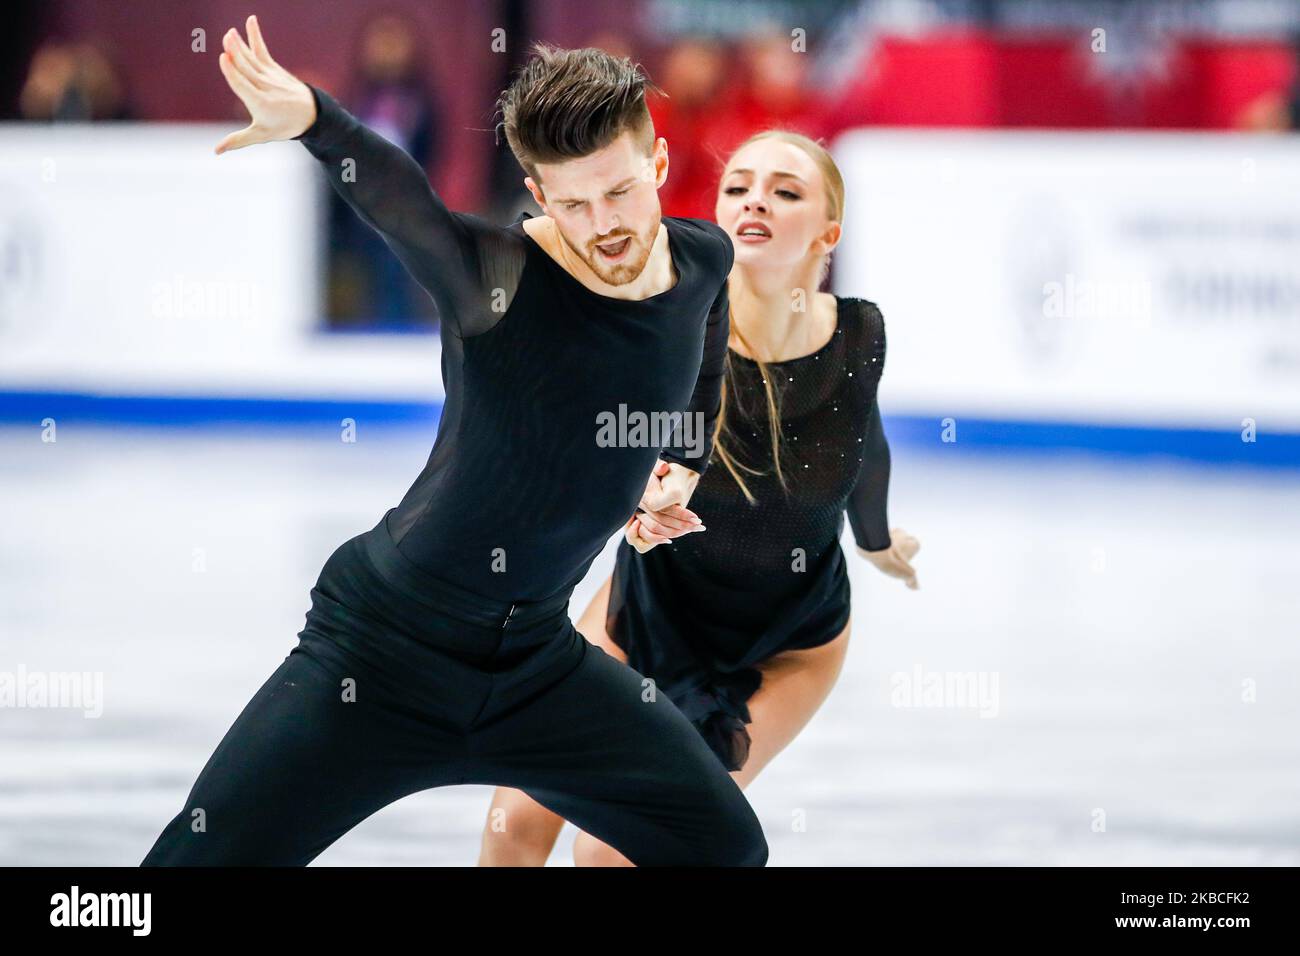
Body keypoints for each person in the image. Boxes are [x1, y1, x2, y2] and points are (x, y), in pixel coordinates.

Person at [141, 16, 767, 867]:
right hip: (383, 653)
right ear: (540, 197)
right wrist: (321, 123)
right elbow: (405, 206)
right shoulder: (495, 280)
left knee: (722, 848)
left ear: (658, 166)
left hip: (539, 669)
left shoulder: (701, 261)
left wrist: (678, 468)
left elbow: (704, 343)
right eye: (573, 202)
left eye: (619, 192)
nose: (605, 223)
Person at [479, 129, 920, 866]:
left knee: (610, 853)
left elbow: (863, 444)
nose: (756, 200)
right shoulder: (674, 322)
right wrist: (625, 502)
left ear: (828, 233)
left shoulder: (860, 335)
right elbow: (596, 436)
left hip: (782, 649)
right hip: (647, 609)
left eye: (785, 190)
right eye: (739, 186)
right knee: (516, 824)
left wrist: (875, 541)